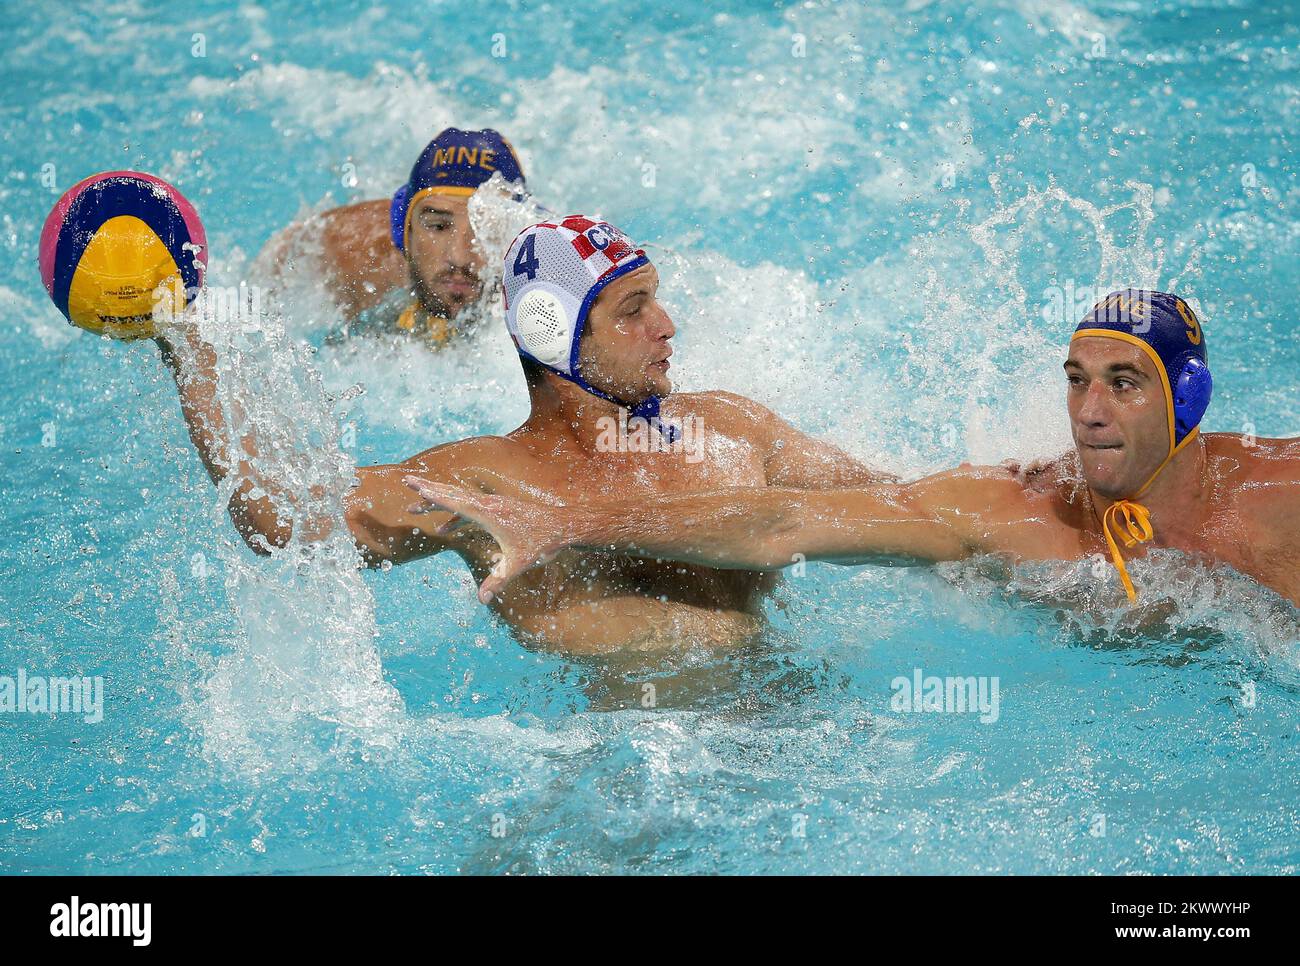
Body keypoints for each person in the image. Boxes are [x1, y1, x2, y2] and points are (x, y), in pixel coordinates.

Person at [160, 215, 894, 653]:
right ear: (552, 330)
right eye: (633, 310)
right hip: (632, 782)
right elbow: (279, 519)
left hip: (801, 736)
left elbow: (898, 505)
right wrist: (185, 342)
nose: (666, 326)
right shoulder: (487, 485)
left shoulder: (731, 429)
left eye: (658, 302)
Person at [405, 291, 1300, 611]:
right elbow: (783, 520)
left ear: (1186, 398)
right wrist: (564, 519)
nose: (1089, 411)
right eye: (1075, 379)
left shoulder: (1269, 494)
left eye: (1123, 382)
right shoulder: (1018, 509)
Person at [256, 127, 526, 344]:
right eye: (437, 227)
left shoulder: (544, 287)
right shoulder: (355, 252)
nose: (458, 256)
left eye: (486, 229)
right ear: (403, 231)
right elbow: (276, 263)